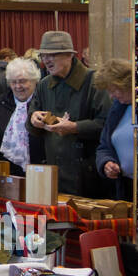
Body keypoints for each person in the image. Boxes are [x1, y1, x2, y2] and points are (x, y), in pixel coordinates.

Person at [27, 30, 110, 196]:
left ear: (69, 55)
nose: (46, 60)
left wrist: (75, 127)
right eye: (43, 56)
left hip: (86, 177)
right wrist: (33, 119)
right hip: (53, 174)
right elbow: (32, 118)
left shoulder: (94, 82)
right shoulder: (44, 85)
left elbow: (106, 124)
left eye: (52, 55)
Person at [0, 56, 44, 175]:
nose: (17, 86)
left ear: (34, 80)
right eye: (13, 82)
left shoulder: (43, 102)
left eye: (22, 81)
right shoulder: (1, 102)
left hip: (39, 172)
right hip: (6, 172)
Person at [93, 59, 136, 201]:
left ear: (126, 83)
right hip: (126, 188)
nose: (111, 96)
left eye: (113, 90)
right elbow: (104, 146)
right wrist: (106, 163)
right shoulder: (117, 108)